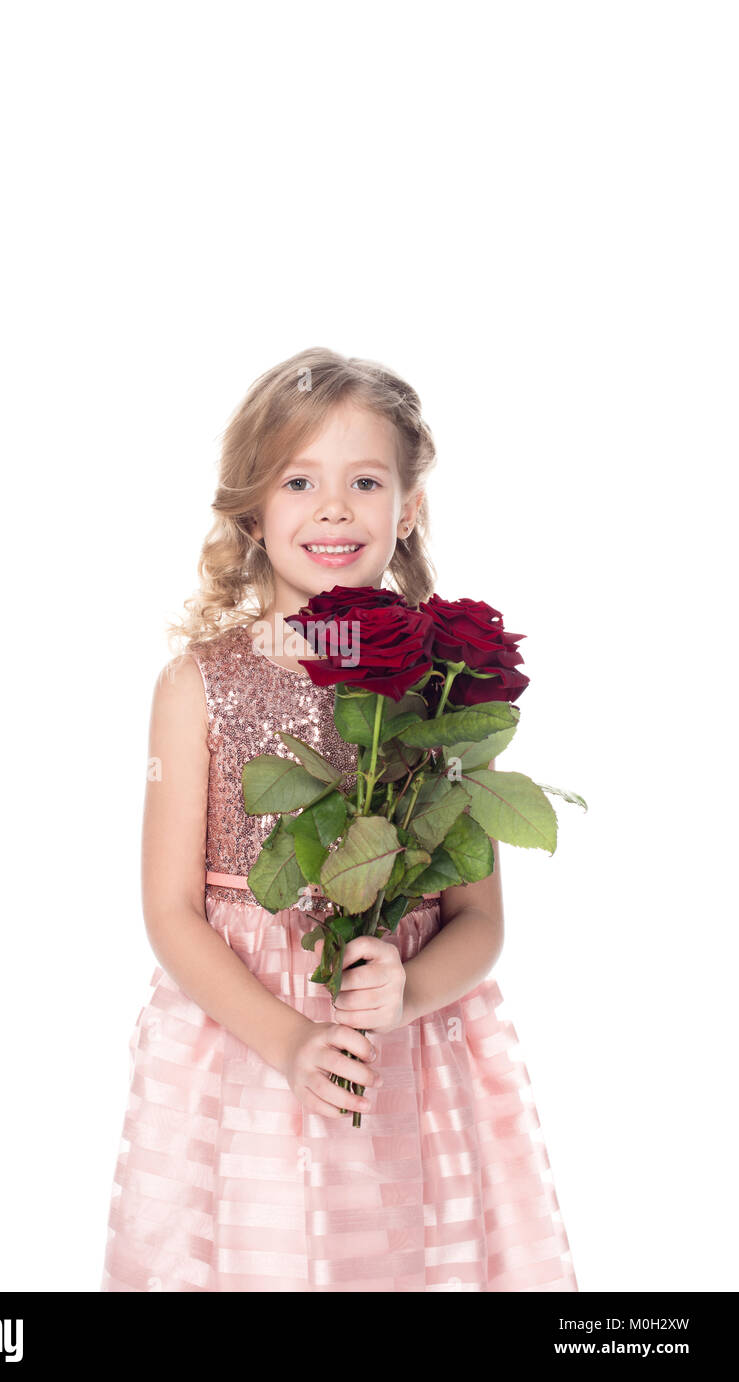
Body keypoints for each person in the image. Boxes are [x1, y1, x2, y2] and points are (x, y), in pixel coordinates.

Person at [100, 346, 578, 1292]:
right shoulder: (198, 686)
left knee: (394, 1254)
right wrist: (287, 1040)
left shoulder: (438, 688)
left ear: (408, 509)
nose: (333, 508)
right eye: (298, 481)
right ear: (250, 512)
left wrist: (404, 994)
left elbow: (479, 922)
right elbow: (169, 911)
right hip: (245, 1045)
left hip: (407, 1046)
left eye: (364, 481)